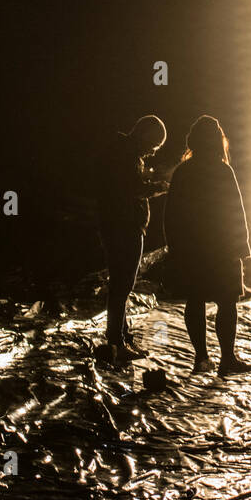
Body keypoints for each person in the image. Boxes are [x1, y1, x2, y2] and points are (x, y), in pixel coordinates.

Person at [164, 115, 251, 376]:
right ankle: (227, 359)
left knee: (195, 299)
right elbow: (236, 211)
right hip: (221, 249)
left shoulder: (183, 172)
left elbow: (171, 214)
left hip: (191, 250)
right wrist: (241, 247)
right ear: (218, 141)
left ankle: (201, 358)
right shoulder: (222, 170)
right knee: (227, 302)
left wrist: (174, 248)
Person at [95, 115, 167, 361]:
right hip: (124, 227)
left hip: (118, 226)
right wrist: (161, 187)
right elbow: (133, 190)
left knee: (121, 284)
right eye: (154, 146)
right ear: (146, 137)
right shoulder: (127, 157)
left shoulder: (120, 153)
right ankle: (116, 339)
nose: (152, 152)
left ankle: (121, 337)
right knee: (122, 285)